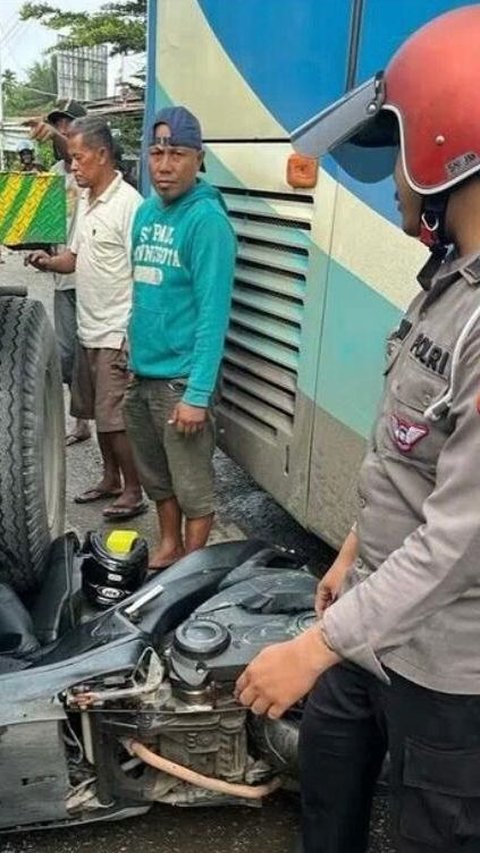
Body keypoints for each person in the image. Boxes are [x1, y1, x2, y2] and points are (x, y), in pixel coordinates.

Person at [235, 7, 480, 852]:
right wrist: (347, 550)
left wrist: (312, 648)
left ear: (446, 145)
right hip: (375, 624)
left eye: (397, 152)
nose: (392, 183)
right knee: (327, 799)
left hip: (446, 668)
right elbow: (406, 453)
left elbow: (460, 541)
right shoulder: (446, 285)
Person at [124, 106, 236, 569]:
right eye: (156, 154)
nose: (164, 166)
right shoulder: (146, 212)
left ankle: (192, 569)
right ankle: (169, 546)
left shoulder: (207, 222)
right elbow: (143, 289)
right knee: (157, 477)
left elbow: (213, 315)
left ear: (198, 159)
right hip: (142, 373)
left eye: (177, 155)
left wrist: (197, 393)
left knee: (193, 486)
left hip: (180, 383)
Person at [26, 116, 146, 521]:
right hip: (88, 329)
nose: (73, 165)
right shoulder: (88, 201)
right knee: (95, 412)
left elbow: (143, 275)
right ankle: (110, 479)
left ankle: (134, 490)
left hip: (115, 332)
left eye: (79, 158)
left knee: (115, 420)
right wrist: (47, 262)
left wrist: (132, 333)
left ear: (102, 155)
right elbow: (73, 259)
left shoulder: (129, 205)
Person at [36, 99, 91, 445]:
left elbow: (74, 151)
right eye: (57, 124)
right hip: (62, 275)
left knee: (97, 352)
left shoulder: (92, 168)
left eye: (67, 124)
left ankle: (108, 423)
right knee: (68, 354)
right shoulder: (55, 174)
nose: (62, 130)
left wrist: (56, 136)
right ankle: (81, 420)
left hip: (91, 277)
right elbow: (43, 223)